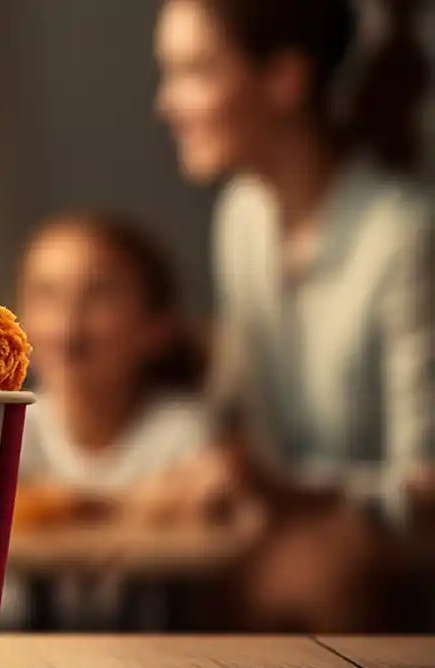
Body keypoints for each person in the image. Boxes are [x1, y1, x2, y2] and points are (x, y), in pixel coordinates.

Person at [155, 0, 434, 630]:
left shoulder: (405, 237)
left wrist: (286, 491)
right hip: (289, 541)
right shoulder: (243, 218)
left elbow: (425, 491)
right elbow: (240, 415)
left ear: (284, 79)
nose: (165, 104)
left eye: (194, 71)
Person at [8, 214, 212, 629]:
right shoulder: (9, 429)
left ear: (156, 326)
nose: (68, 325)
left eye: (99, 296)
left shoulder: (183, 432)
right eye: (47, 295)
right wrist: (132, 504)